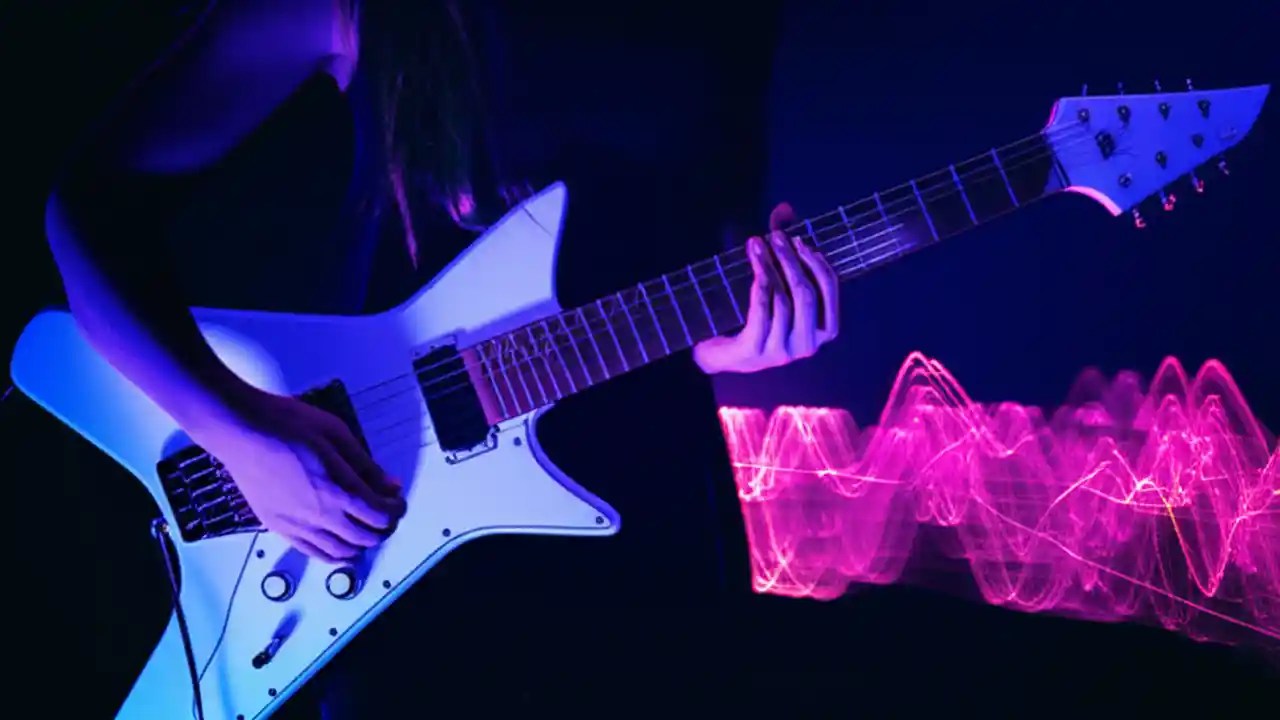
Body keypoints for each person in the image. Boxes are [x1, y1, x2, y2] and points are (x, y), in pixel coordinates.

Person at [44, 0, 839, 715]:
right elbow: (87, 205)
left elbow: (703, 231)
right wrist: (239, 432)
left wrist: (739, 342)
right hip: (407, 518)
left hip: (654, 506)